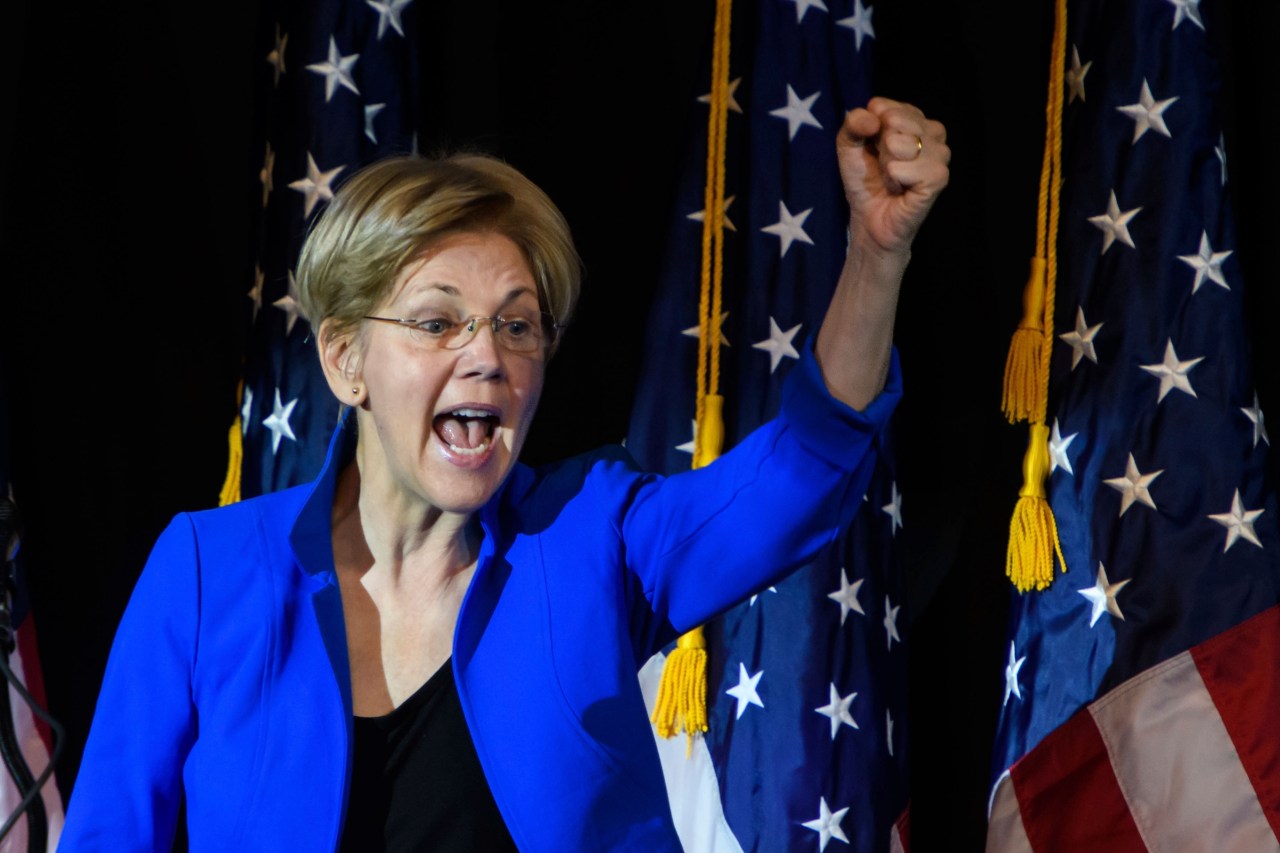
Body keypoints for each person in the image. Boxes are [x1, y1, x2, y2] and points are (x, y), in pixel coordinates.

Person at [61, 97, 949, 851]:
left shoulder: (592, 538)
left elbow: (802, 477)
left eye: (517, 326)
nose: (487, 356)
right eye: (438, 322)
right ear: (345, 361)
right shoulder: (208, 570)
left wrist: (877, 258)